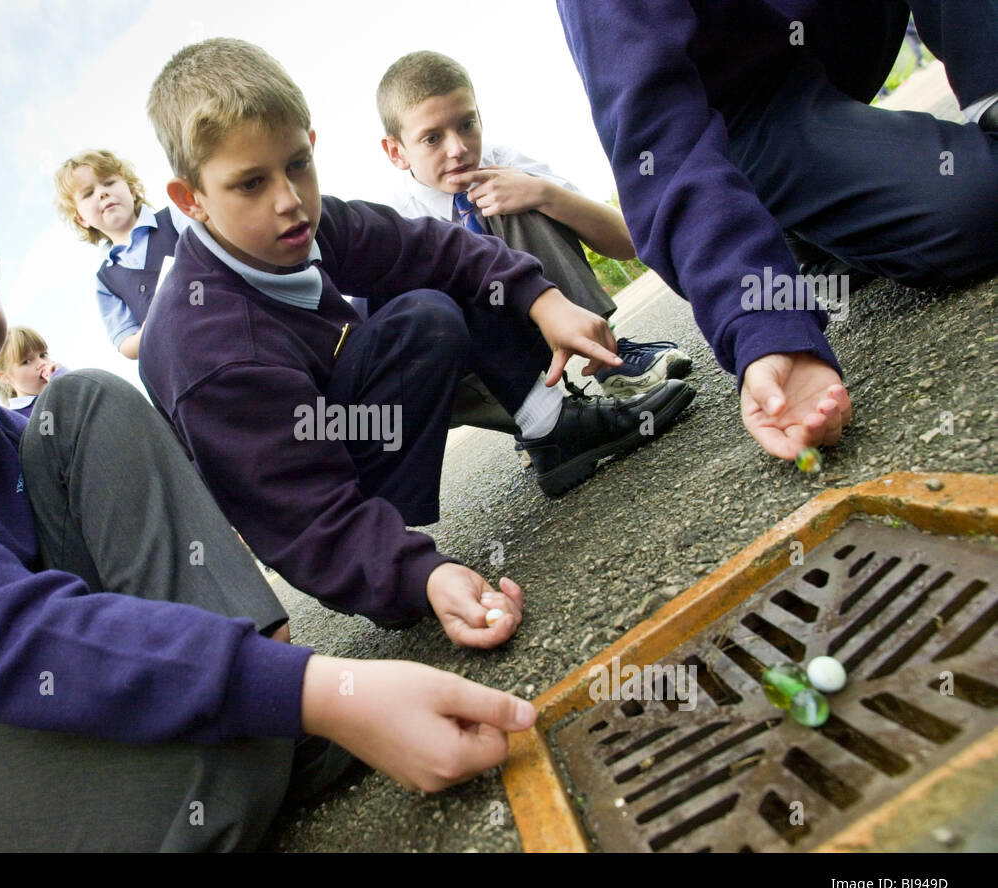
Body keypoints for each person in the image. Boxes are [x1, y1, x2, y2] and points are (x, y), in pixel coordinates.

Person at [0, 146, 538, 852]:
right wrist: (329, 692)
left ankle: (274, 730)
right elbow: (11, 638)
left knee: (87, 402)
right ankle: (272, 732)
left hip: (32, 722)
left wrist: (291, 675)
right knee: (211, 748)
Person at [139, 38, 696, 634]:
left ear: (311, 145)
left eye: (298, 164)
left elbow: (432, 247)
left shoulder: (314, 220)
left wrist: (543, 299)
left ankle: (554, 427)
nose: (289, 201)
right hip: (314, 491)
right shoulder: (207, 350)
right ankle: (383, 549)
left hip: (347, 419)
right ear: (190, 199)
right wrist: (417, 575)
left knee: (427, 302)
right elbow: (297, 517)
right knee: (424, 317)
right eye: (250, 184)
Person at [555, 0, 998, 462]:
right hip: (753, 109)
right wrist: (764, 323)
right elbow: (658, 141)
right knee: (975, 203)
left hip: (841, 39)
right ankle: (785, 214)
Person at [377, 50, 694, 400]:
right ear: (396, 152)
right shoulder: (395, 220)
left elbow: (627, 243)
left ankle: (607, 358)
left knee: (510, 193)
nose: (458, 148)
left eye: (467, 124)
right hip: (472, 354)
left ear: (479, 116)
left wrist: (543, 194)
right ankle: (532, 414)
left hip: (544, 309)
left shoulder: (502, 163)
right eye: (432, 138)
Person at [54, 149, 187, 360]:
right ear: (81, 219)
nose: (102, 193)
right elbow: (126, 342)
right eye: (88, 193)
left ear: (132, 190)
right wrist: (149, 328)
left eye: (108, 183)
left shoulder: (176, 217)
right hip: (183, 367)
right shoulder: (106, 281)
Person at [0, 325, 64, 418]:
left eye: (43, 355)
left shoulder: (59, 398)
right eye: (27, 361)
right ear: (5, 377)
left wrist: (64, 379)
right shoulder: (11, 420)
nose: (42, 363)